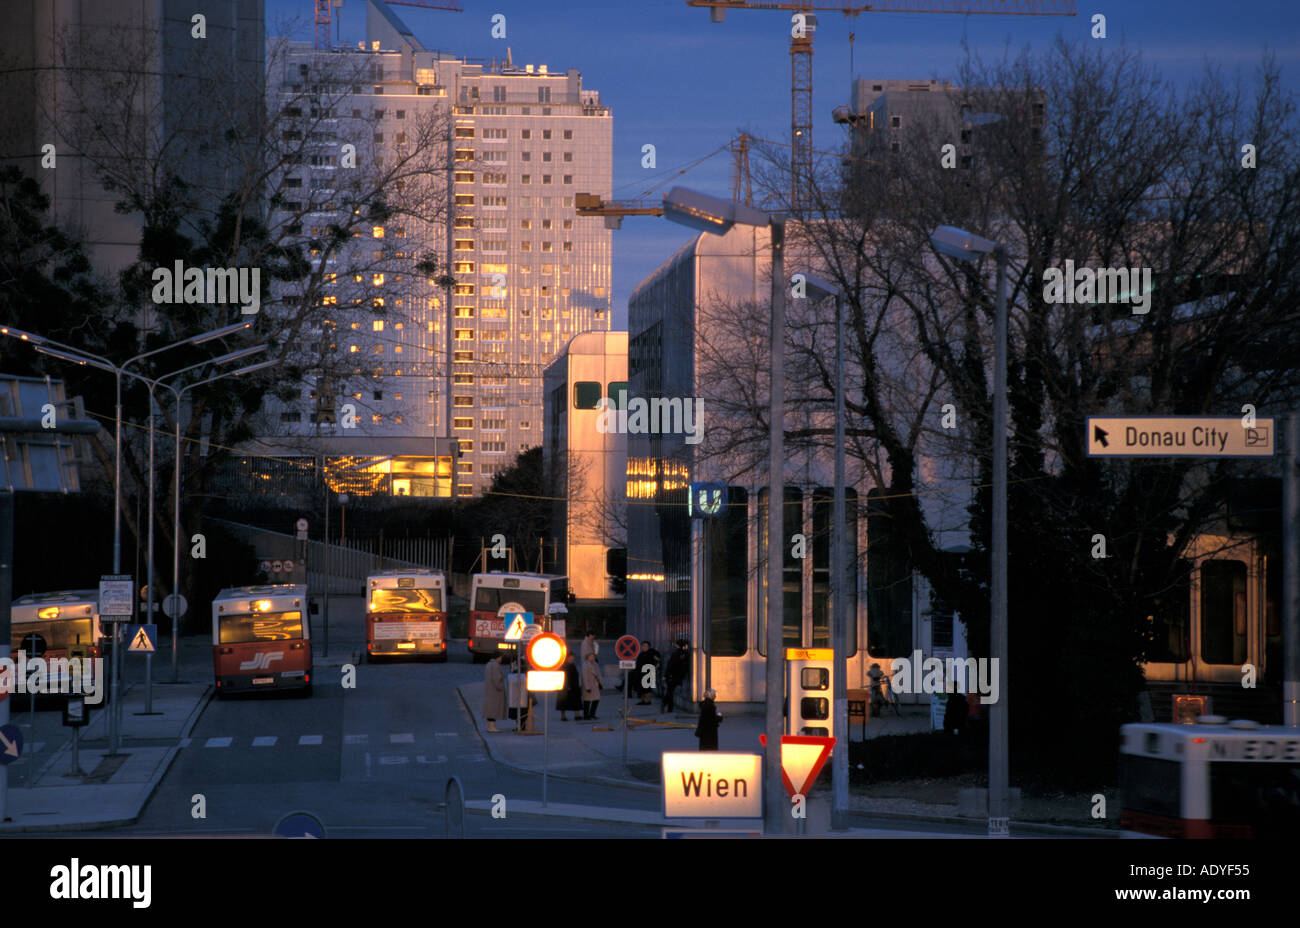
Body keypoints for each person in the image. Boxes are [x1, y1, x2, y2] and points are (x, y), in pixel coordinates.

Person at [483, 654, 507, 733]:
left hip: (489, 690)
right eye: (500, 657)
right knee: (494, 709)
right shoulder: (496, 666)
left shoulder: (489, 664)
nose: (501, 659)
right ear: (498, 657)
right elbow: (497, 680)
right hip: (495, 691)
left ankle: (489, 726)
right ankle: (492, 727)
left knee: (490, 709)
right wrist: (501, 687)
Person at [663, 639, 689, 713]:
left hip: (672, 675)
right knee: (671, 691)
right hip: (679, 675)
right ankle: (667, 706)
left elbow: (670, 665)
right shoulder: (685, 653)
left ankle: (666, 705)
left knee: (669, 691)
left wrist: (666, 675)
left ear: (677, 645)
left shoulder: (675, 653)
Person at [635, 640, 662, 706]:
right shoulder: (641, 654)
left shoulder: (653, 653)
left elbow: (658, 661)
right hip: (641, 672)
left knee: (647, 688)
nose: (643, 647)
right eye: (643, 646)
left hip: (649, 672)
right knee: (641, 687)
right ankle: (642, 700)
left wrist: (655, 669)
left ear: (649, 646)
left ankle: (648, 700)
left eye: (645, 646)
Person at [558, 653, 582, 721]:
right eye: (571, 658)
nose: (572, 659)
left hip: (574, 686)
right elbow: (564, 676)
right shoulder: (564, 666)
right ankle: (563, 716)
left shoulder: (573, 665)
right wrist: (567, 685)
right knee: (563, 702)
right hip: (565, 687)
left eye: (573, 658)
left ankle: (577, 715)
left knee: (576, 701)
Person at [581, 651, 602, 720]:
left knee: (596, 699)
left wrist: (600, 683)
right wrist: (587, 687)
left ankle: (592, 714)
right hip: (589, 685)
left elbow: (598, 674)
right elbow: (585, 677)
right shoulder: (585, 665)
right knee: (587, 701)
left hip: (595, 685)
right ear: (588, 657)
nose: (592, 657)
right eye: (591, 656)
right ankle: (586, 715)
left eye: (593, 656)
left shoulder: (595, 664)